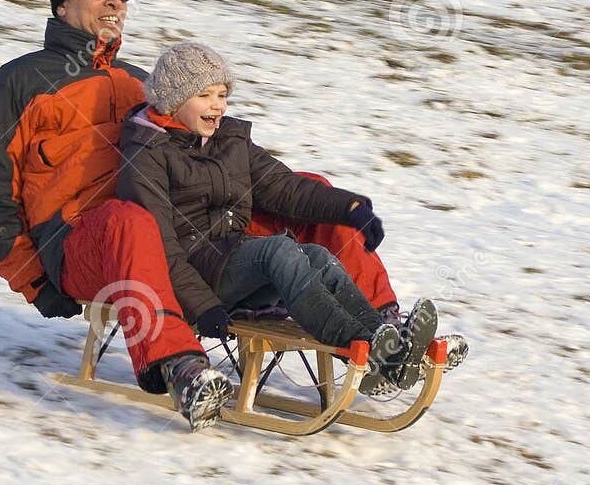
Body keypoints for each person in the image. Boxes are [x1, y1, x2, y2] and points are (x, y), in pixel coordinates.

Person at [0, 0, 457, 431]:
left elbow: (224, 163)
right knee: (132, 222)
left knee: (306, 193)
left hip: (173, 232)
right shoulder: (21, 81)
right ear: (61, 3)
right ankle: (183, 368)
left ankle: (386, 332)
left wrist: (346, 207)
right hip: (80, 242)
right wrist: (34, 283)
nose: (116, 2)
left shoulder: (141, 84)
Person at [116, 43, 438, 424]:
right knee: (279, 251)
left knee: (316, 257)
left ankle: (387, 347)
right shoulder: (146, 153)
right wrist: (202, 306)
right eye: (204, 95)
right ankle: (358, 345)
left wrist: (350, 209)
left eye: (222, 95)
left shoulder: (228, 141)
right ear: (172, 100)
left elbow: (285, 187)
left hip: (232, 258)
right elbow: (160, 246)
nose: (217, 105)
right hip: (195, 276)